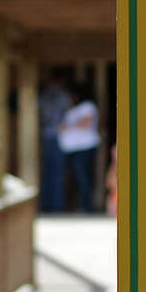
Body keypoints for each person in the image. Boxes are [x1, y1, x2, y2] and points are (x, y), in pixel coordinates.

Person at [57, 81, 103, 213]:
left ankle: (87, 207)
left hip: (84, 147)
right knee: (75, 178)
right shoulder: (71, 109)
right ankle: (78, 205)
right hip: (71, 149)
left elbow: (86, 123)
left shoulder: (88, 106)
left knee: (84, 177)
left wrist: (68, 127)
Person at [37, 72, 71, 212]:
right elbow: (69, 116)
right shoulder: (64, 96)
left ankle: (46, 205)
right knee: (58, 172)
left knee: (46, 172)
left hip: (45, 135)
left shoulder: (43, 96)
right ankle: (57, 206)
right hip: (60, 136)